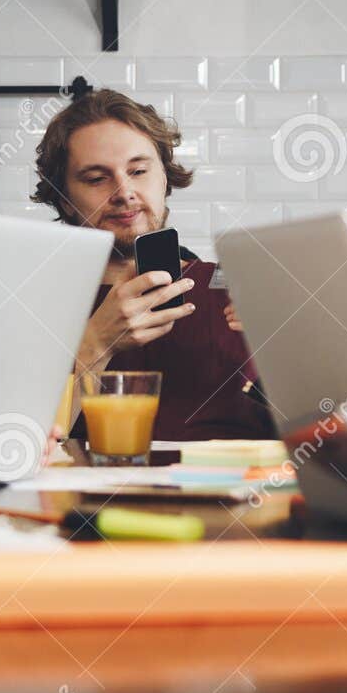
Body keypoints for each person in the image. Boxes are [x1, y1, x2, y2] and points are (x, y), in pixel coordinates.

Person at [31, 89, 273, 441]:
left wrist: (288, 354)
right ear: (65, 199)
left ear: (165, 178)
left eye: (139, 170)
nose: (124, 192)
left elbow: (318, 440)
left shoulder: (236, 289)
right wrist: (97, 342)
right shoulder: (31, 306)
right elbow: (19, 448)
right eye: (97, 178)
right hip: (90, 494)